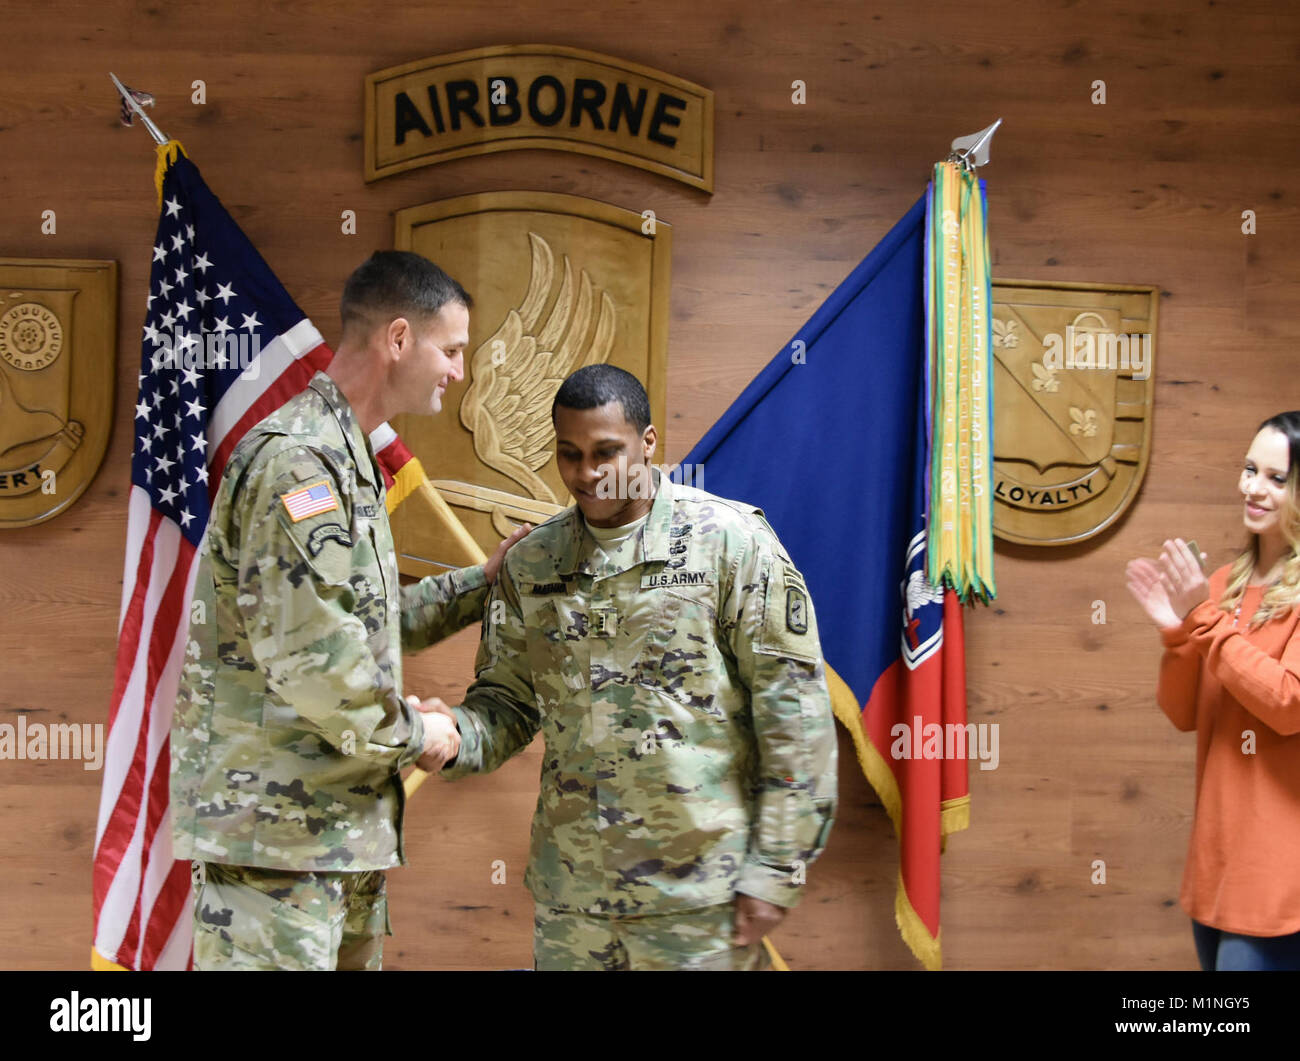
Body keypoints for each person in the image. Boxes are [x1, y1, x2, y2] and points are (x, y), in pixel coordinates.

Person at [171, 251, 527, 970]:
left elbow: (365, 620)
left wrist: (485, 581)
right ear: (398, 339)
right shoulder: (298, 463)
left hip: (333, 835)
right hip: (277, 847)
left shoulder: (343, 456)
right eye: (451, 350)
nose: (459, 371)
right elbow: (315, 662)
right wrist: (420, 731)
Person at [422, 363, 838, 970]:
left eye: (606, 452)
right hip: (575, 901)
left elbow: (794, 712)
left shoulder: (730, 544)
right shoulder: (533, 562)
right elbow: (505, 705)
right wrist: (455, 739)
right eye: (569, 454)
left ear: (648, 444)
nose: (587, 474)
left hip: (698, 899)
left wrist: (777, 867)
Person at [1126, 410, 1300, 971]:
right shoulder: (1221, 587)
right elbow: (1184, 713)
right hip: (1217, 861)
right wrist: (1176, 631)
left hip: (1279, 875)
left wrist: (1200, 618)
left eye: (1277, 478)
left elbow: (1286, 702)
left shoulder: (1215, 602)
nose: (1253, 487)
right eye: (1250, 469)